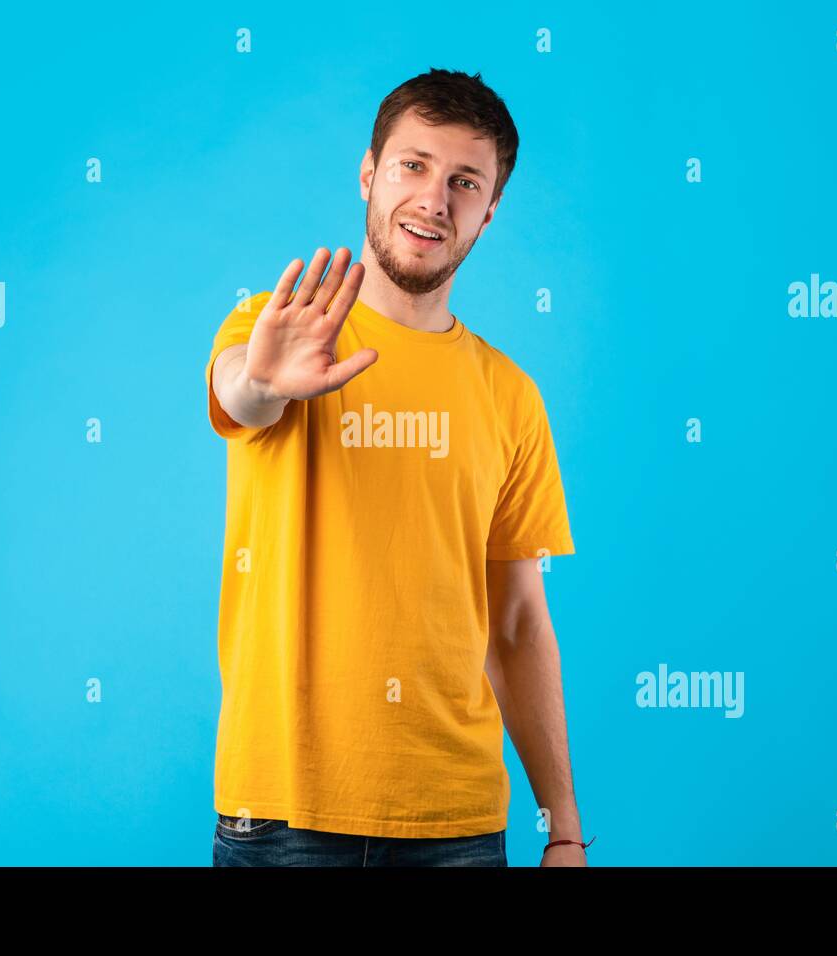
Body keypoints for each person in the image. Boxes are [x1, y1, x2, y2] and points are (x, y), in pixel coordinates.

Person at [205, 68, 591, 867]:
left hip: (459, 827)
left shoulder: (511, 396)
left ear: (489, 211)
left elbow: (518, 624)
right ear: (369, 174)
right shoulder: (278, 329)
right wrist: (263, 382)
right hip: (283, 819)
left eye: (464, 181)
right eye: (413, 165)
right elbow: (241, 393)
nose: (433, 199)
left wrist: (563, 827)